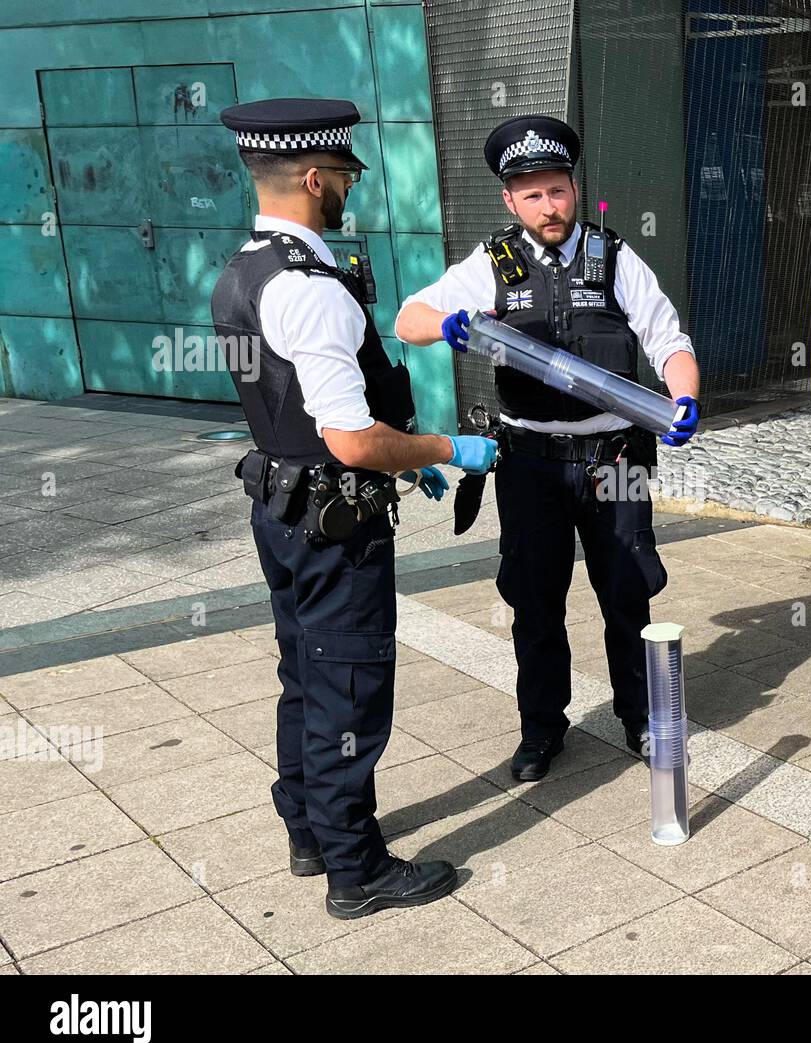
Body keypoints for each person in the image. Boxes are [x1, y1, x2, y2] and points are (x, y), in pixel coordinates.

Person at [211, 98, 497, 919]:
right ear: (312, 177)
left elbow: (285, 404)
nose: (347, 189)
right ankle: (356, 869)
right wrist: (446, 450)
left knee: (304, 674)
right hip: (335, 524)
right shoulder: (311, 289)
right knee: (348, 691)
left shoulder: (241, 272)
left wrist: (396, 454)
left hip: (280, 508)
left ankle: (306, 827)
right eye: (342, 176)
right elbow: (350, 440)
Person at [395, 115, 700, 782]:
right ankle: (542, 729)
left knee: (628, 593)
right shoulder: (493, 264)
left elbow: (669, 340)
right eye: (531, 195)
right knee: (535, 602)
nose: (547, 206)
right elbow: (407, 318)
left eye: (556, 191)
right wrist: (447, 323)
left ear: (574, 189)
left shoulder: (614, 258)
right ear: (510, 201)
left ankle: (644, 719)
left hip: (613, 457)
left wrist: (682, 398)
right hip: (530, 461)